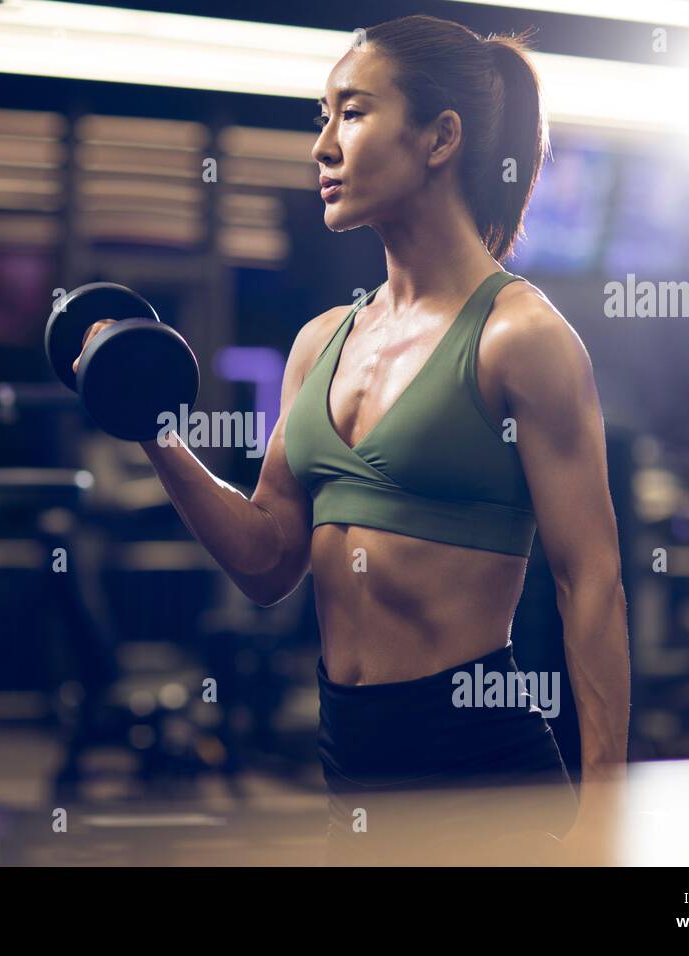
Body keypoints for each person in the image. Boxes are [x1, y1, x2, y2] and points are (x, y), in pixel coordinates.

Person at [76, 14, 629, 864]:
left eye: (353, 112)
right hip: (351, 783)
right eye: (320, 117)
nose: (322, 146)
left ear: (439, 138)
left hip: (482, 785)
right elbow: (267, 563)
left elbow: (589, 581)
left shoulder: (520, 338)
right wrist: (152, 428)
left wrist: (602, 815)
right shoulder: (321, 342)